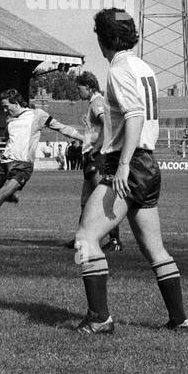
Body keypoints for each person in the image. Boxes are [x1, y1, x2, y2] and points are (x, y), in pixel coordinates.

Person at [73, 9, 188, 334]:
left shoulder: (120, 68)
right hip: (148, 165)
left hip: (131, 164)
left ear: (105, 38)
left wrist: (121, 164)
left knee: (85, 238)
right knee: (155, 249)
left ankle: (99, 318)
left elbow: (135, 114)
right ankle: (180, 320)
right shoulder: (142, 67)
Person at [0, 89, 84, 243]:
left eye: (6, 106)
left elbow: (62, 128)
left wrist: (84, 139)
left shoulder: (37, 115)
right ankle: (9, 195)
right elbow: (10, 140)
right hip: (4, 164)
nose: (4, 110)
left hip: (22, 167)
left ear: (17, 102)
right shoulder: (9, 120)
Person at [70, 71, 122, 252]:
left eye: (80, 88)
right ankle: (79, 238)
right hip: (90, 157)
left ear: (89, 87)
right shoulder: (93, 104)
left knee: (102, 199)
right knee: (85, 201)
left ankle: (115, 240)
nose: (78, 91)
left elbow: (107, 124)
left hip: (97, 158)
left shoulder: (98, 103)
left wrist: (97, 148)